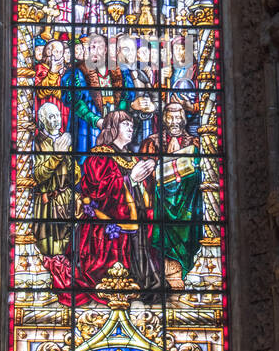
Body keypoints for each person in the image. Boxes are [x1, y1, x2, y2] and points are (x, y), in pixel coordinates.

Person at [75, 109, 163, 304]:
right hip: (108, 229)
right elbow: (99, 191)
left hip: (135, 225)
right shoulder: (99, 156)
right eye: (126, 124)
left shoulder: (131, 157)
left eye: (132, 125)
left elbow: (143, 192)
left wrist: (145, 179)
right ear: (113, 128)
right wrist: (130, 178)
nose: (131, 128)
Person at [140, 100, 203, 289]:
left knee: (189, 220)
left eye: (178, 118)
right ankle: (165, 273)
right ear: (165, 121)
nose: (175, 122)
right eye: (171, 118)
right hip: (160, 200)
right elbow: (146, 174)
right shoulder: (152, 142)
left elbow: (203, 171)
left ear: (184, 120)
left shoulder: (194, 143)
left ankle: (184, 271)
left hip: (187, 201)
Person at [30, 101, 81, 296]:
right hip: (47, 203)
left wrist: (70, 163)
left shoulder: (63, 140)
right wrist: (56, 155)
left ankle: (67, 286)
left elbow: (75, 174)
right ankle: (51, 289)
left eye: (57, 115)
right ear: (43, 121)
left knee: (68, 245)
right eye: (51, 117)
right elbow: (38, 175)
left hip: (66, 200)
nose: (56, 119)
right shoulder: (38, 143)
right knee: (49, 246)